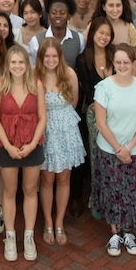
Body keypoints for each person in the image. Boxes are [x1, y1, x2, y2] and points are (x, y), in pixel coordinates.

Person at [91, 46, 136, 257]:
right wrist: (118, 148)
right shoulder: (103, 87)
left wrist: (128, 148)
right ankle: (115, 233)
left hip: (134, 149)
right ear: (113, 63)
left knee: (132, 192)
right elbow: (100, 122)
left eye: (126, 62)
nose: (122, 66)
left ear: (133, 63)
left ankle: (129, 232)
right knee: (113, 191)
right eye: (118, 62)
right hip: (109, 150)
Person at [0, 45, 47, 262]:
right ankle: (10, 235)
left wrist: (33, 144)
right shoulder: (0, 85)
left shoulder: (36, 85)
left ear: (27, 64)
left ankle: (29, 235)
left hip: (31, 143)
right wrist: (7, 145)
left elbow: (42, 117)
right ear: (7, 65)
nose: (17, 66)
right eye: (13, 62)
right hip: (8, 145)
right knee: (9, 191)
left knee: (31, 189)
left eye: (21, 62)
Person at [37, 39, 83, 247]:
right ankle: (47, 221)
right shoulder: (35, 75)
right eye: (47, 56)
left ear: (60, 57)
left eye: (54, 56)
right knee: (46, 179)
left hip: (65, 130)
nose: (51, 60)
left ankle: (59, 222)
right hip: (45, 130)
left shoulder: (69, 74)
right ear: (41, 57)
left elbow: (73, 101)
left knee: (64, 179)